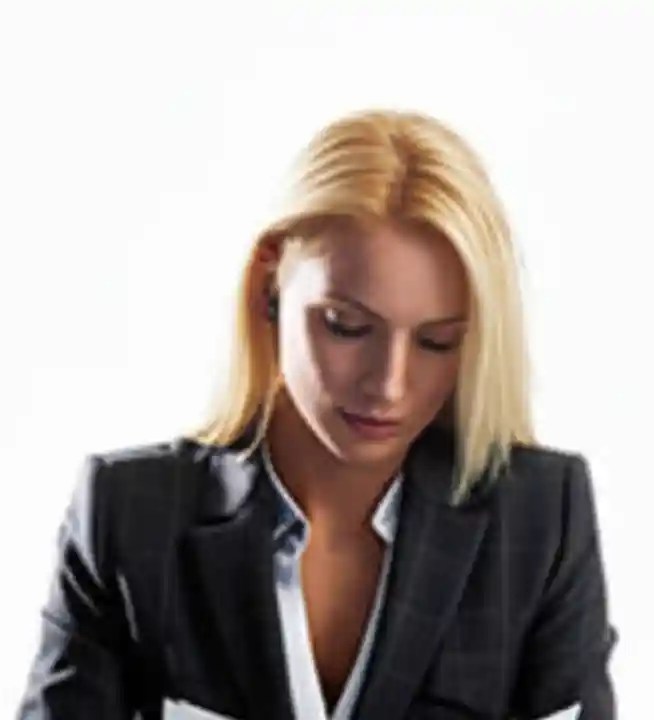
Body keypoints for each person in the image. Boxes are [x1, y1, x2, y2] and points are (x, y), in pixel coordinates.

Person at [18, 109, 617, 719]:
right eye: (347, 327)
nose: (389, 385)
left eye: (437, 341)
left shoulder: (542, 521)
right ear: (269, 287)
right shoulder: (128, 517)